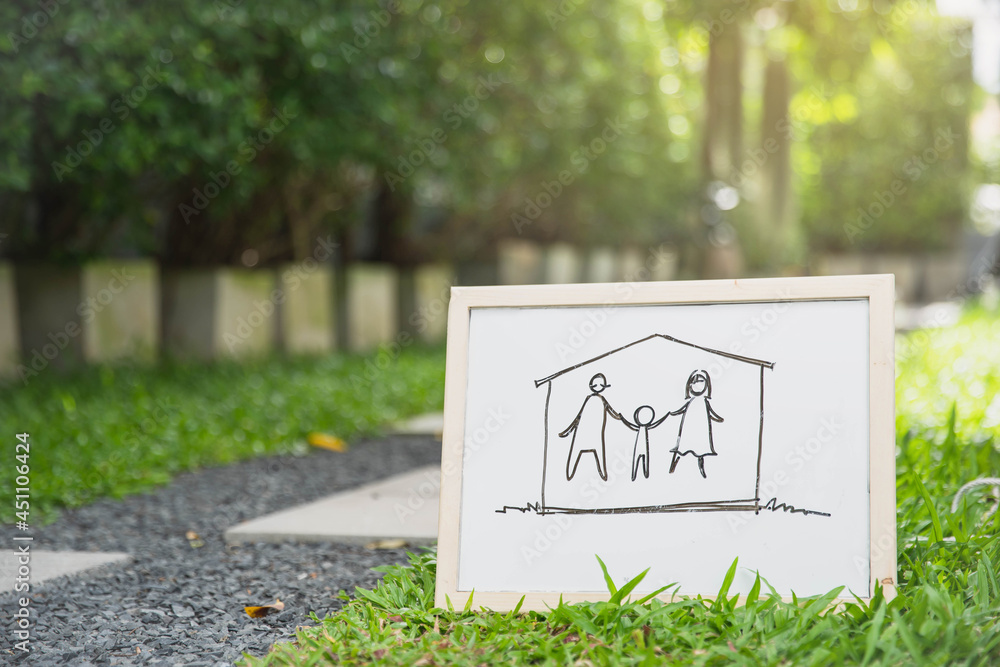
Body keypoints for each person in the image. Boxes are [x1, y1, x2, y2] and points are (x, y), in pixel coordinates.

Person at [559, 373, 622, 481]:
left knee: (599, 451)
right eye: (595, 384)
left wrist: (619, 416)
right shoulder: (589, 399)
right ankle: (571, 473)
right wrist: (567, 430)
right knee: (576, 451)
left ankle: (602, 473)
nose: (597, 386)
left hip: (595, 433)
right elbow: (579, 416)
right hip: (582, 432)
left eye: (600, 384)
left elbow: (611, 410)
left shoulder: (602, 400)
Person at [667, 370, 724, 479]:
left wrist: (718, 418)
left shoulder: (704, 402)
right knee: (683, 448)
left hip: (701, 429)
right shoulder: (690, 401)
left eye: (701, 382)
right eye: (694, 382)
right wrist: (673, 413)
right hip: (688, 428)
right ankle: (674, 465)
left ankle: (700, 467)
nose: (697, 385)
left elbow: (711, 413)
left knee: (700, 449)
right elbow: (681, 410)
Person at [622, 405, 669, 481]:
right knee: (637, 464)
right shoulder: (640, 428)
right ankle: (635, 474)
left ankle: (642, 473)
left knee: (645, 464)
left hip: (643, 446)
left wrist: (667, 415)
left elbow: (657, 423)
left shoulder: (642, 428)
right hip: (638, 447)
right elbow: (629, 424)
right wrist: (621, 417)